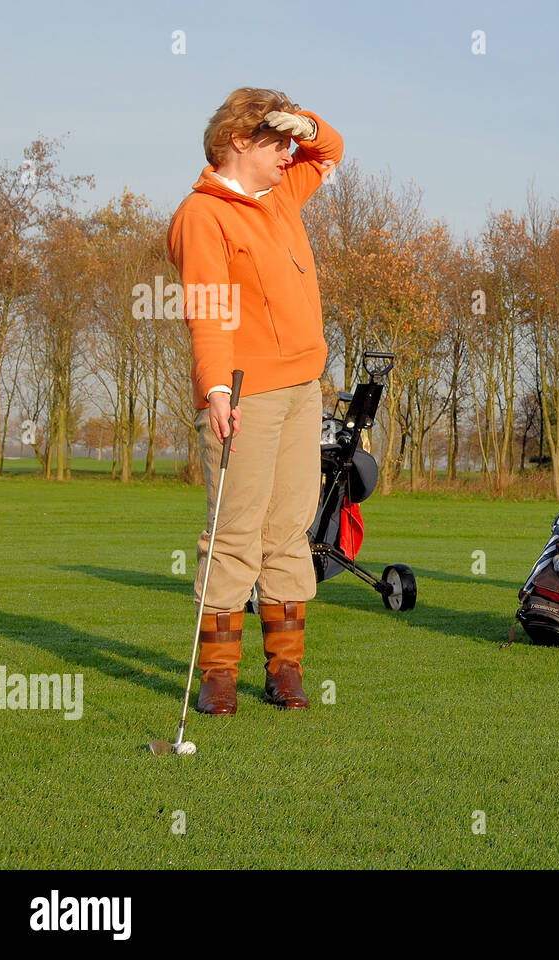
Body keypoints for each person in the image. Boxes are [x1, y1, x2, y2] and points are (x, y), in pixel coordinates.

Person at [167, 87, 343, 713]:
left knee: (289, 532)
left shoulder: (282, 195)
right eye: (276, 141)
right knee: (236, 532)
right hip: (245, 395)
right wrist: (215, 388)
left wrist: (306, 123)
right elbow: (207, 311)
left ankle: (285, 670)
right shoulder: (201, 214)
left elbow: (333, 148)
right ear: (239, 141)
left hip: (302, 389)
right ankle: (218, 677)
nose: (289, 153)